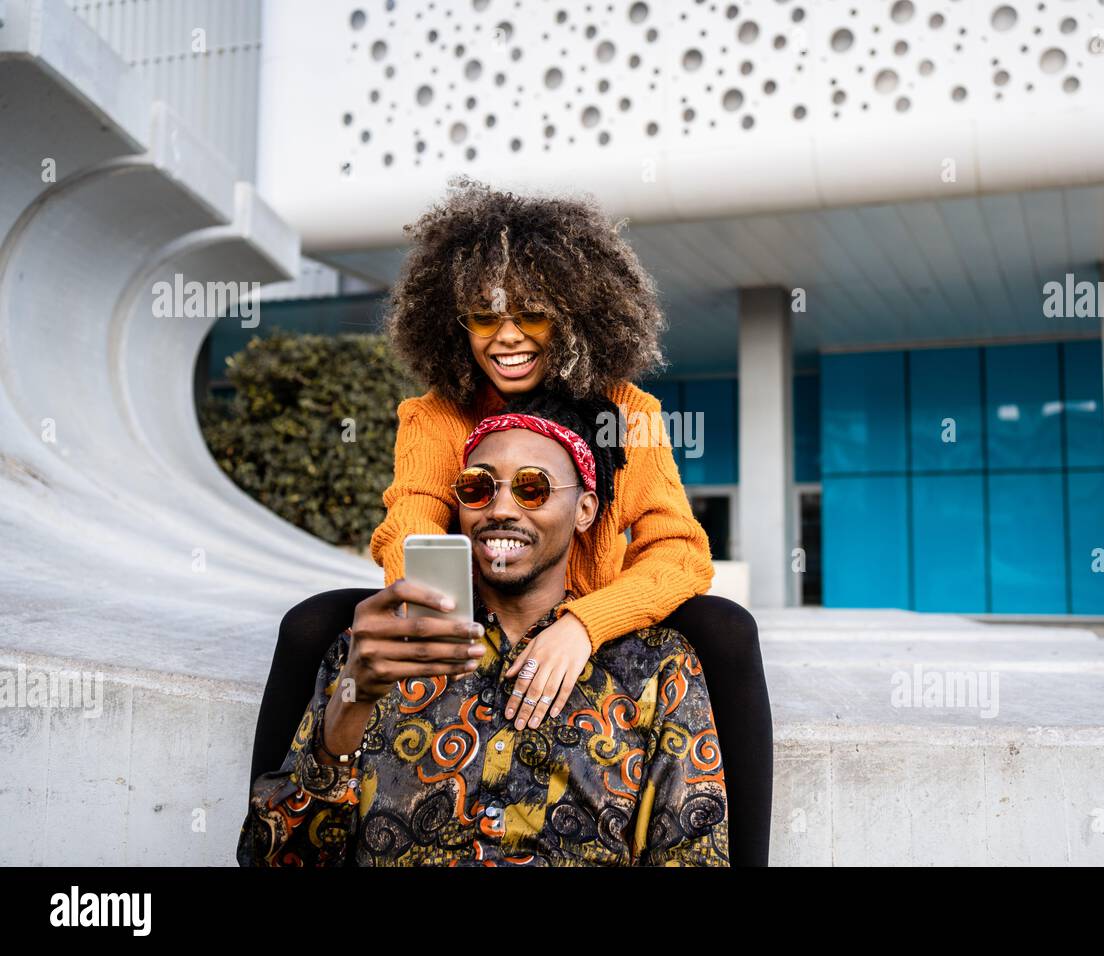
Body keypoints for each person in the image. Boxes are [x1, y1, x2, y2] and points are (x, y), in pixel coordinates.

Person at [248, 176, 772, 865]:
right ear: (453, 320)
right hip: (474, 608)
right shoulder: (437, 413)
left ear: (576, 314)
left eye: (532, 315)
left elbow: (678, 550)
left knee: (726, 627)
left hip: (595, 616)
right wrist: (440, 618)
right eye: (484, 316)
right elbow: (411, 520)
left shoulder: (630, 412)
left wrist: (583, 627)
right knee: (315, 623)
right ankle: (270, 822)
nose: (506, 337)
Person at [237, 394, 728, 865]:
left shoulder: (656, 670)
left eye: (532, 487)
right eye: (478, 487)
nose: (501, 509)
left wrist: (584, 625)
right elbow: (275, 857)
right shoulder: (375, 650)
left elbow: (690, 854)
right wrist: (350, 706)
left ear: (585, 511)